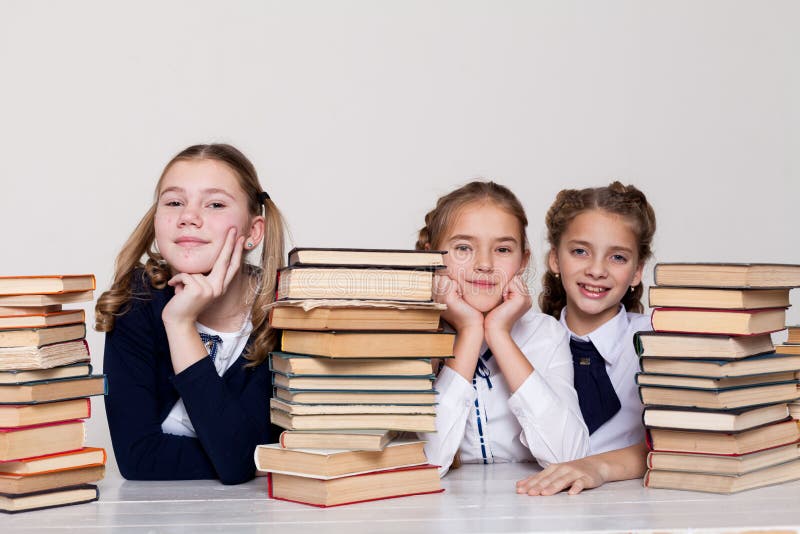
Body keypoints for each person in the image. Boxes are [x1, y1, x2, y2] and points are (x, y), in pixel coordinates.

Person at [95, 143, 285, 484]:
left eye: (214, 204)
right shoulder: (134, 303)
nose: (188, 217)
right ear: (157, 222)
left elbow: (239, 462)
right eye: (174, 202)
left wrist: (182, 326)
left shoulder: (281, 315)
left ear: (253, 232)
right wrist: (177, 320)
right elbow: (138, 459)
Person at [416, 181, 589, 477]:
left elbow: (569, 456)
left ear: (523, 261)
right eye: (463, 248)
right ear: (433, 257)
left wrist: (498, 334)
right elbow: (427, 465)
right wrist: (470, 332)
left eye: (503, 249)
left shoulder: (546, 334)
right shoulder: (408, 335)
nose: (484, 264)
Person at [516, 181, 656, 495]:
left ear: (637, 272)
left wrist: (598, 466)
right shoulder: (523, 343)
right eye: (580, 251)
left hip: (636, 508)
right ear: (555, 259)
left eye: (617, 258)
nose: (596, 270)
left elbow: (683, 441)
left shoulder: (656, 342)